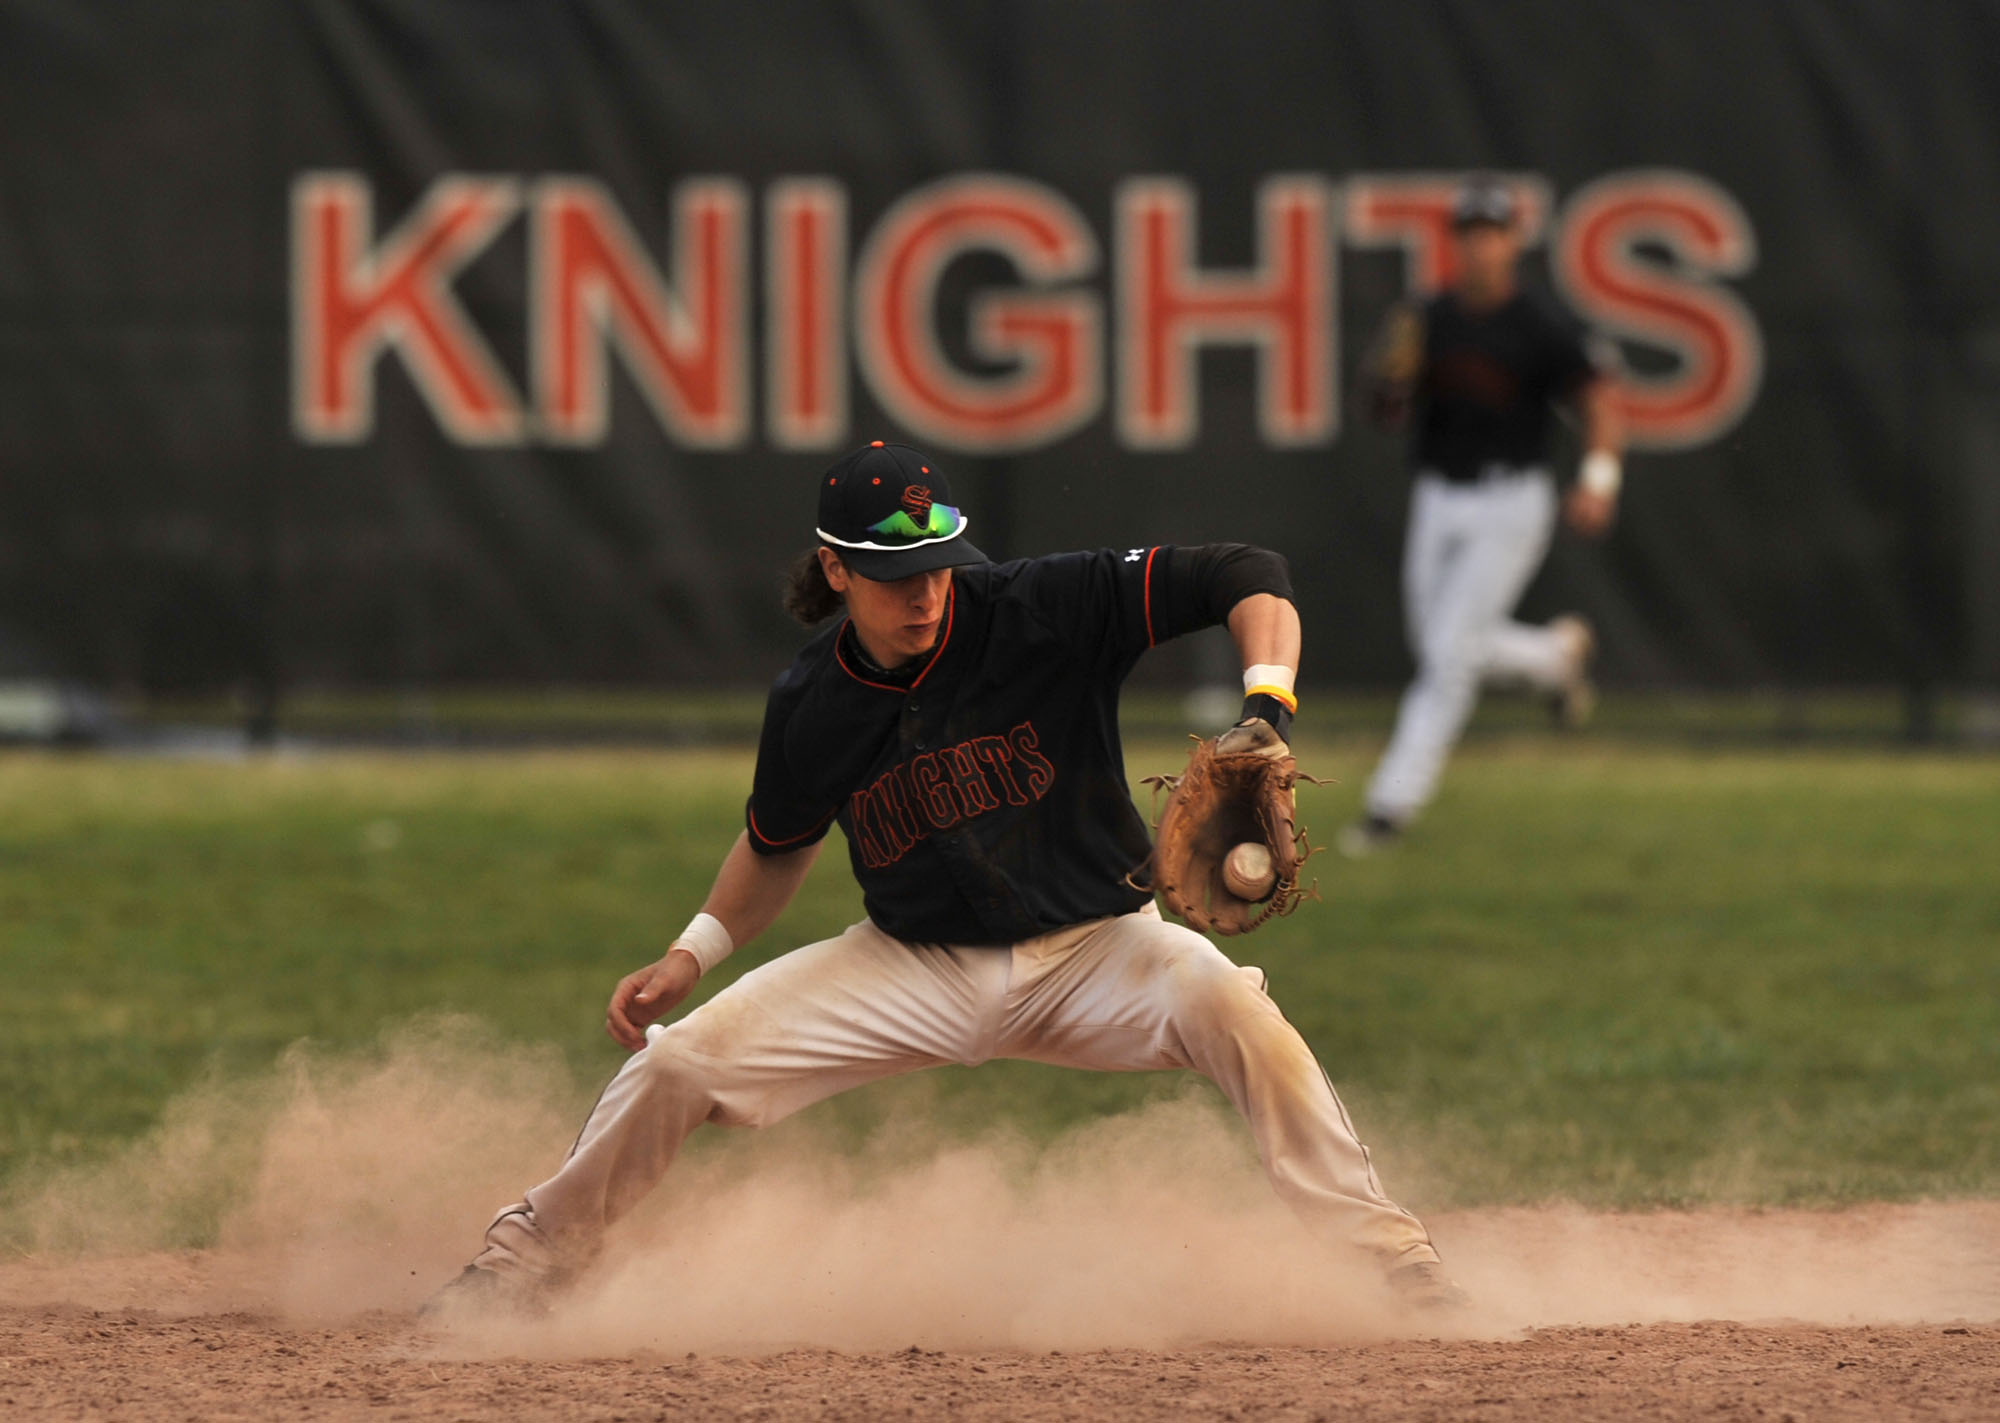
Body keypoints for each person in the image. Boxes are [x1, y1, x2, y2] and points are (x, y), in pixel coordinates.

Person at [430, 440, 1465, 1318]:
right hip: (906, 967)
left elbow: (1248, 570)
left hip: (1097, 947)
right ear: (834, 571)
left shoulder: (1041, 607)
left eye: (935, 561)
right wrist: (688, 951)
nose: (924, 589)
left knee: (1233, 1011)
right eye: (893, 572)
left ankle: (1391, 1264)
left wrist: (1266, 712)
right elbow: (776, 844)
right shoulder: (810, 702)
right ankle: (517, 1266)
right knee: (676, 1065)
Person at [1341, 176, 1626, 857]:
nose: (1480, 245)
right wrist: (1387, 384)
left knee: (1446, 661)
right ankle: (1555, 659)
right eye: (1469, 232)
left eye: (1492, 233)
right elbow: (1383, 411)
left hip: (1511, 500)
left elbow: (1601, 398)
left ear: (1512, 242)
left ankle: (1390, 804)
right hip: (1438, 497)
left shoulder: (1538, 325)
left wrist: (1598, 476)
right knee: (1443, 648)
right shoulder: (1431, 317)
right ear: (1455, 241)